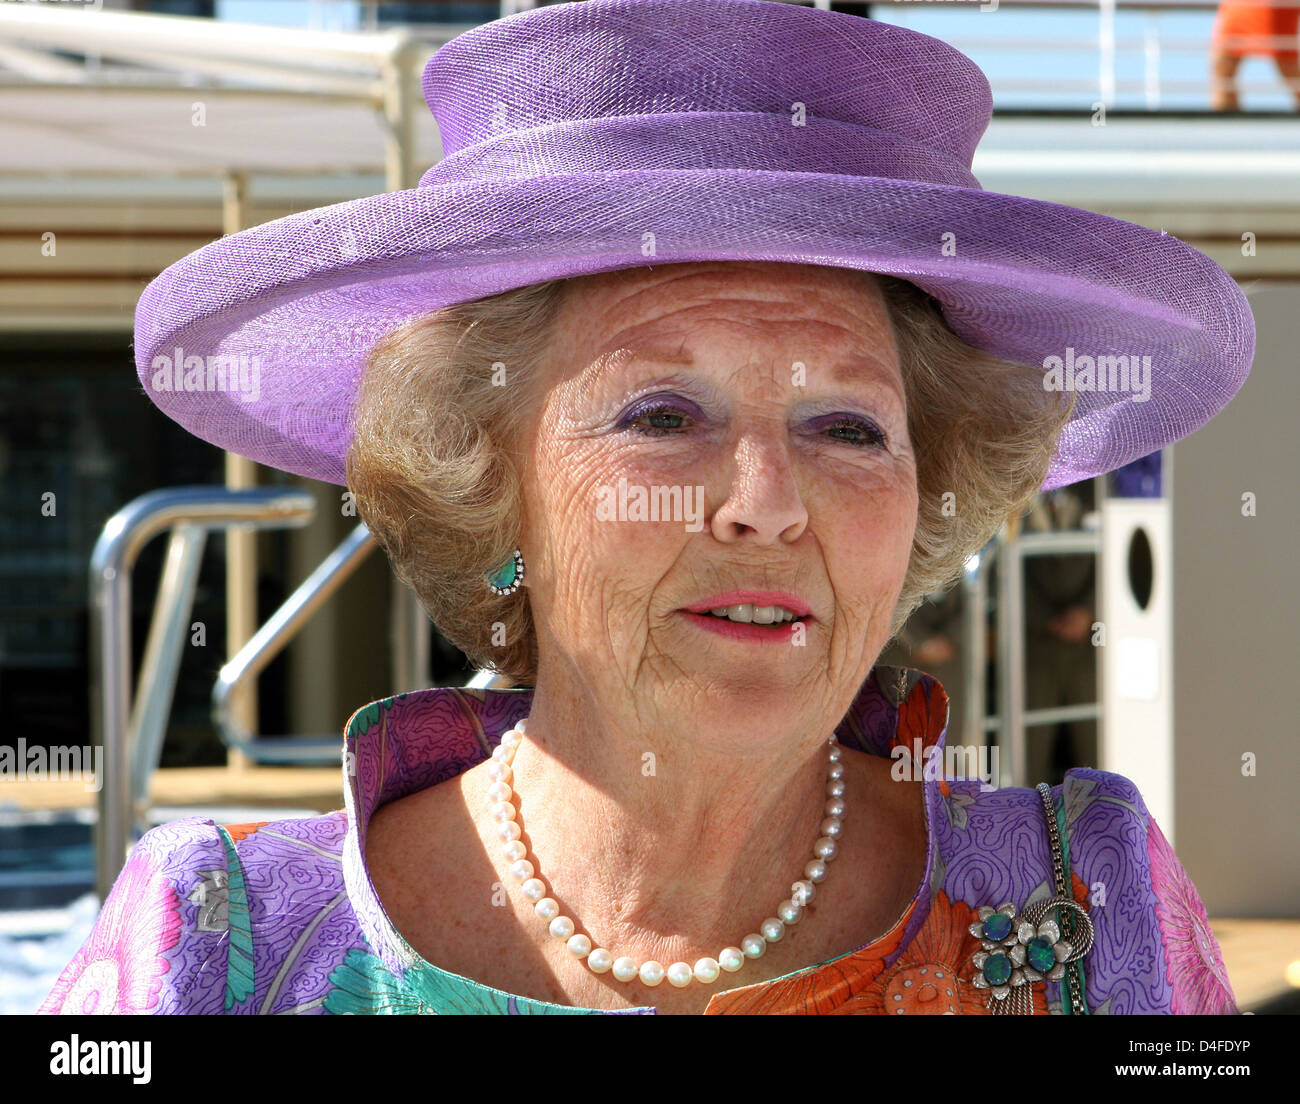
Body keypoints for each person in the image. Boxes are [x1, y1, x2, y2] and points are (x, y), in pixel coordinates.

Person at [41, 0, 1249, 1015]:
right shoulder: (206, 949)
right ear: (491, 482)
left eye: (847, 427)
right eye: (663, 417)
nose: (766, 506)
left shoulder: (1093, 911)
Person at [1210, 0, 1300, 110]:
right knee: (1224, 63)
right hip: (1238, 7)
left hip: (1274, 7)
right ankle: (1225, 122)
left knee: (1287, 63)